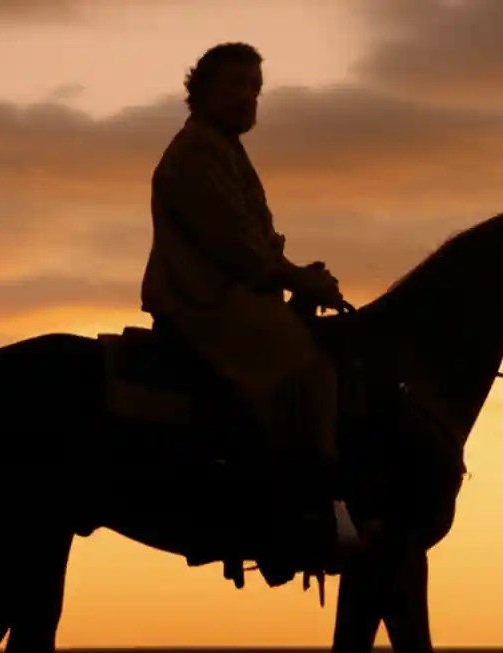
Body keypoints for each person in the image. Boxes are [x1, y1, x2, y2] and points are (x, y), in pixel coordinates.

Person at [140, 42, 357, 580]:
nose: (246, 97)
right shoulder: (196, 154)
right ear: (202, 90)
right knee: (310, 374)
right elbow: (238, 248)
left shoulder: (224, 150)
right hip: (206, 305)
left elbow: (253, 245)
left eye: (254, 88)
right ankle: (296, 518)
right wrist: (298, 278)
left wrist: (296, 277)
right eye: (235, 85)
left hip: (237, 300)